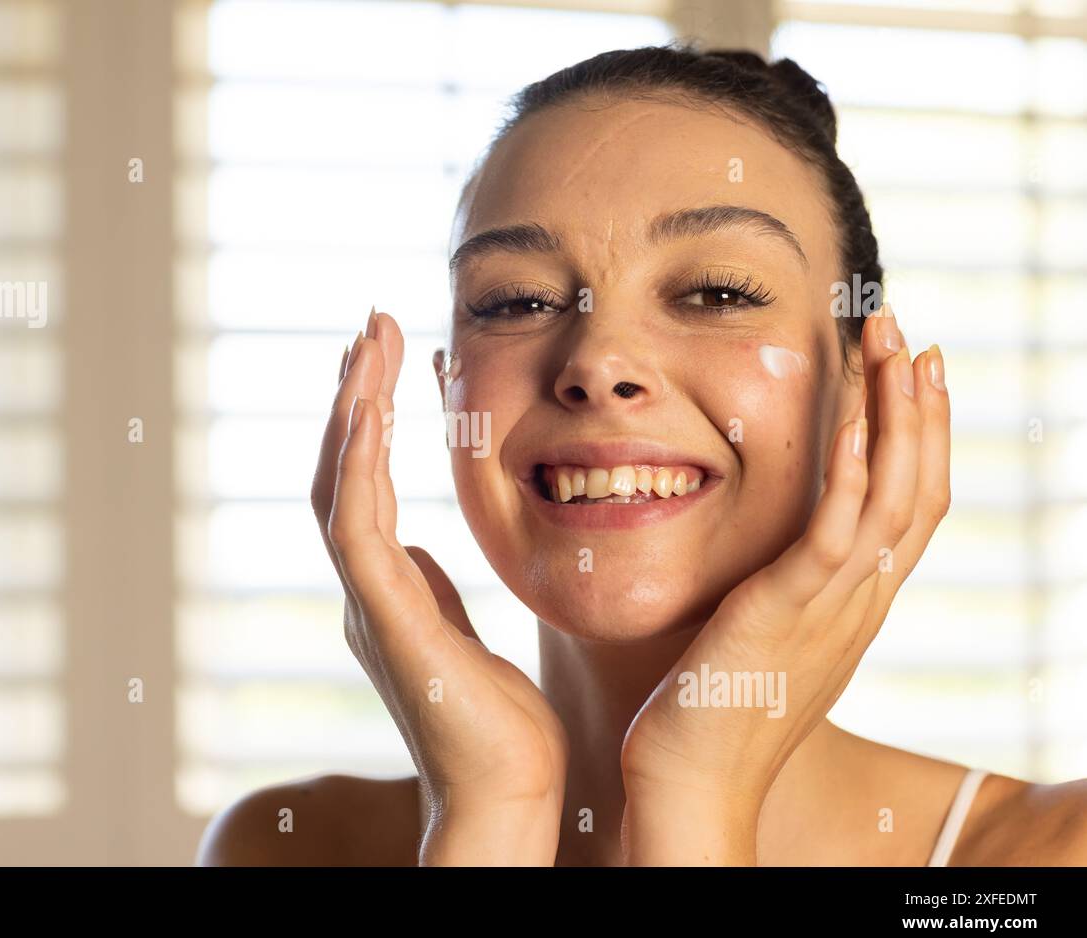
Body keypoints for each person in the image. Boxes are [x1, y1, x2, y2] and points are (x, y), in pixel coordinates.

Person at [199, 45, 1087, 866]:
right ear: (446, 390)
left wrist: (697, 794)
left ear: (865, 385)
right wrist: (494, 812)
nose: (597, 363)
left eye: (716, 292)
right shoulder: (287, 848)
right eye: (516, 301)